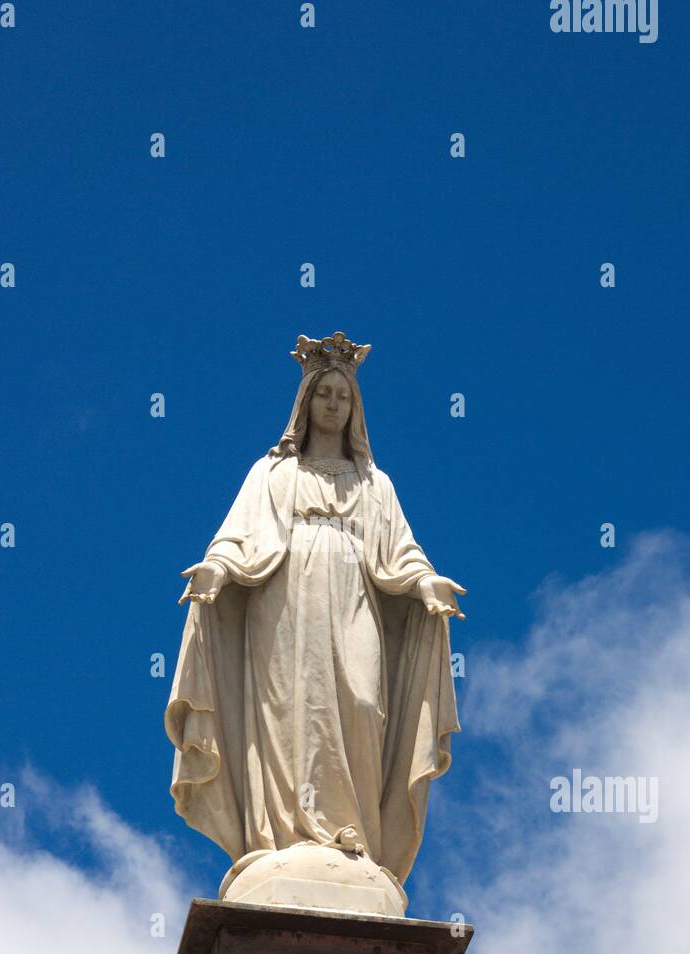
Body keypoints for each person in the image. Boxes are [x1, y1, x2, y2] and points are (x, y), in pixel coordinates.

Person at [165, 332, 466, 885]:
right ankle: (280, 837)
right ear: (306, 402)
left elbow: (401, 550)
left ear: (355, 408)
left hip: (354, 596)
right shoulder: (274, 474)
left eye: (343, 396)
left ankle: (353, 836)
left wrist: (425, 583)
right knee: (288, 709)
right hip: (283, 600)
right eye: (324, 394)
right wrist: (216, 569)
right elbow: (237, 537)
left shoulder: (374, 484)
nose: (333, 405)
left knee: (361, 701)